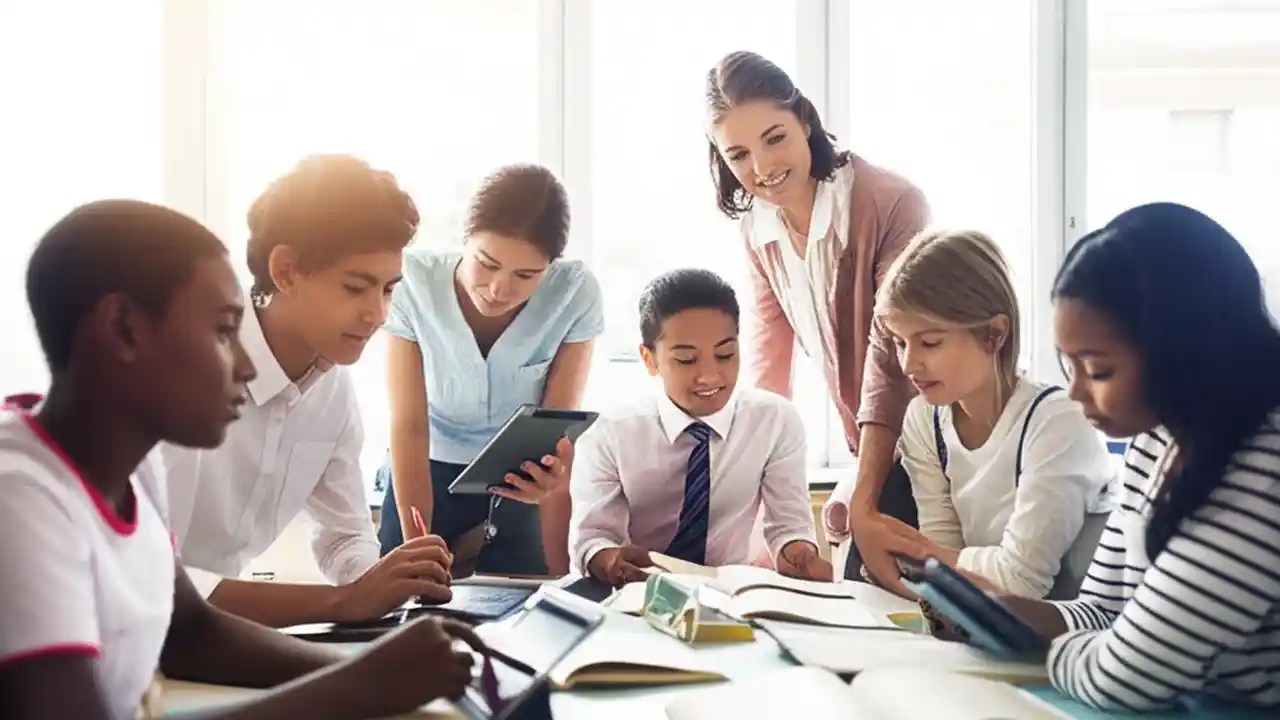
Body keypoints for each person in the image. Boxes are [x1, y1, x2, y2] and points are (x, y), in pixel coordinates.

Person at [0, 200, 482, 720]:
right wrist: (361, 686)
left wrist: (380, 670)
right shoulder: (20, 497)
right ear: (123, 327)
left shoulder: (129, 470)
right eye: (225, 332)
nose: (248, 364)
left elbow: (189, 632)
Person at [991, 203, 1280, 711]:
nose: (1075, 393)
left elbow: (1127, 680)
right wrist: (1026, 618)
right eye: (1069, 365)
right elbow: (1107, 608)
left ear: (1184, 352)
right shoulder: (1157, 437)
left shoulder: (1261, 462)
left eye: (1098, 371)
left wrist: (1049, 649)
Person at [159, 155, 454, 629]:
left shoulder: (333, 390)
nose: (377, 315)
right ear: (286, 270)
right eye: (357, 287)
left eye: (388, 291)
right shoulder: (180, 376)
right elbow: (147, 578)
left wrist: (387, 583)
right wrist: (343, 603)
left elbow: (343, 538)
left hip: (205, 636)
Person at [704, 50, 928, 588]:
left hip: (934, 443)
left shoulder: (889, 203)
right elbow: (768, 367)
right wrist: (749, 494)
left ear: (805, 119)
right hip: (874, 446)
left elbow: (891, 354)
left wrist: (864, 487)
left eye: (775, 137)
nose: (761, 168)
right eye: (738, 154)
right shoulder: (759, 229)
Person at [380, 164, 603, 576]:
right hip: (426, 463)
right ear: (464, 239)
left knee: (519, 610)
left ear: (551, 266)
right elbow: (408, 424)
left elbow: (553, 424)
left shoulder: (576, 292)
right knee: (406, 598)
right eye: (486, 263)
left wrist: (548, 476)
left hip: (519, 475)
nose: (501, 289)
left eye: (526, 275)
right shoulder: (412, 283)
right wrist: (417, 547)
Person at [873, 229, 1113, 599]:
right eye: (901, 342)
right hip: (992, 623)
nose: (908, 363)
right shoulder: (925, 420)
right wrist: (935, 561)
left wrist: (929, 555)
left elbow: (1022, 582)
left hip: (1064, 632)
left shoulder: (1058, 419)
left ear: (995, 334)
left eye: (930, 342)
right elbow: (942, 572)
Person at [568, 269, 832, 588]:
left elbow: (789, 527)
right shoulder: (610, 433)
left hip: (728, 592)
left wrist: (799, 553)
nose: (709, 376)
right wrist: (610, 560)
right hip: (634, 591)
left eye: (725, 355)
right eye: (686, 360)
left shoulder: (774, 420)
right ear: (649, 359)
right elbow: (592, 538)